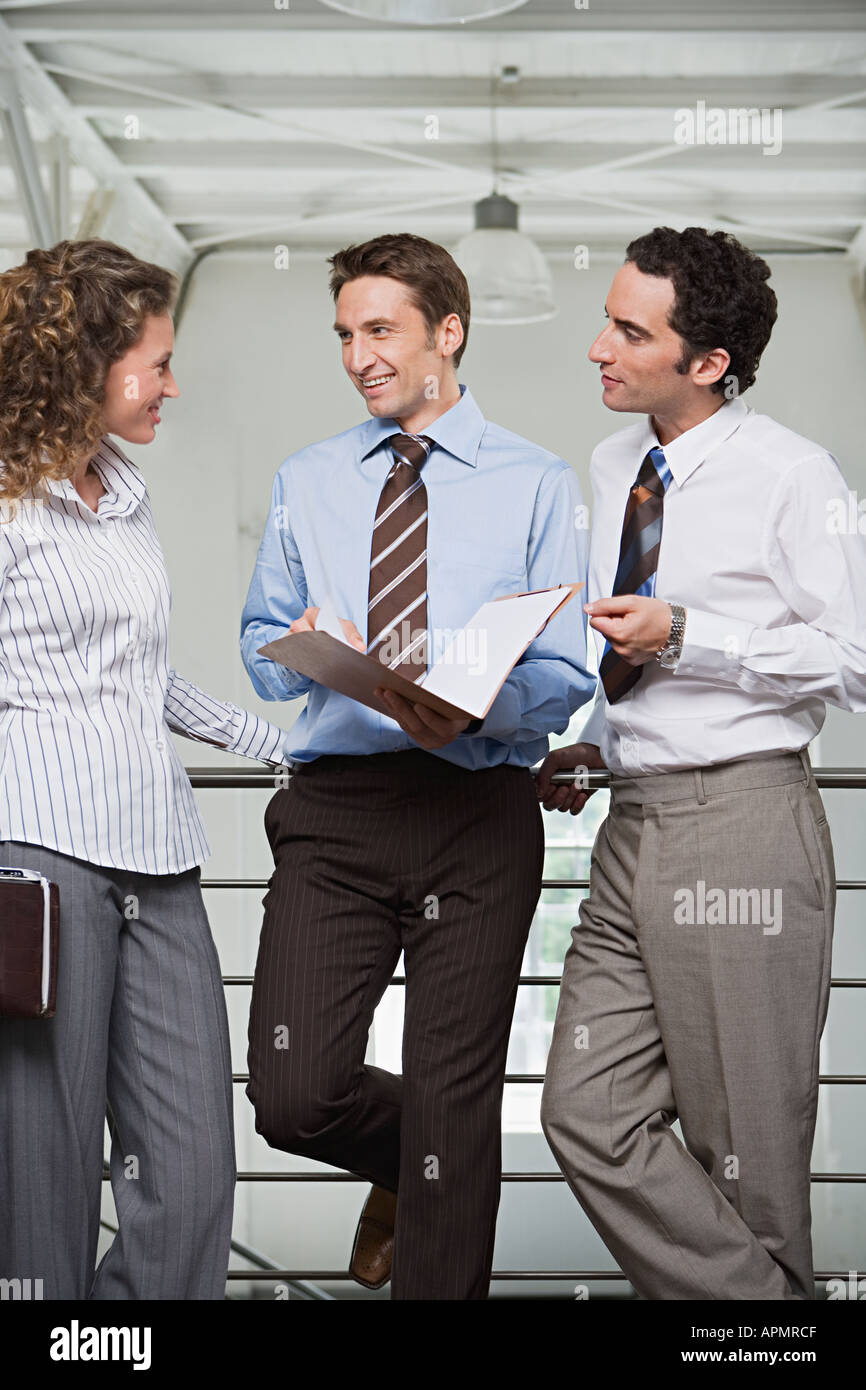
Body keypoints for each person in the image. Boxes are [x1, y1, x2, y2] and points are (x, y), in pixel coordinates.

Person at [240, 231, 593, 1300]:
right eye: (345, 333)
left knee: (455, 1098)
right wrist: (296, 639)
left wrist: (482, 706)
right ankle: (408, 1159)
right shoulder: (307, 479)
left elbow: (564, 667)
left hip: (476, 813)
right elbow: (262, 645)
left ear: (447, 331)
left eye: (379, 329)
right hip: (334, 817)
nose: (358, 355)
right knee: (293, 1092)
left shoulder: (537, 482)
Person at [537, 225, 866, 1300]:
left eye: (630, 332)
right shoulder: (613, 462)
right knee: (583, 1110)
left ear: (708, 362)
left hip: (743, 824)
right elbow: (627, 644)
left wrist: (691, 635)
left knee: (748, 1160)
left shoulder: (789, 474)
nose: (598, 346)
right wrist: (599, 730)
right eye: (606, 316)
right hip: (631, 821)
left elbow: (855, 662)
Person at [0, 239, 291, 1300]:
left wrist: (270, 743)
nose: (174, 383)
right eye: (156, 363)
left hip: (159, 859)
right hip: (36, 861)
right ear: (84, 364)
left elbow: (139, 673)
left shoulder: (121, 488)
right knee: (45, 1172)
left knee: (190, 1166)